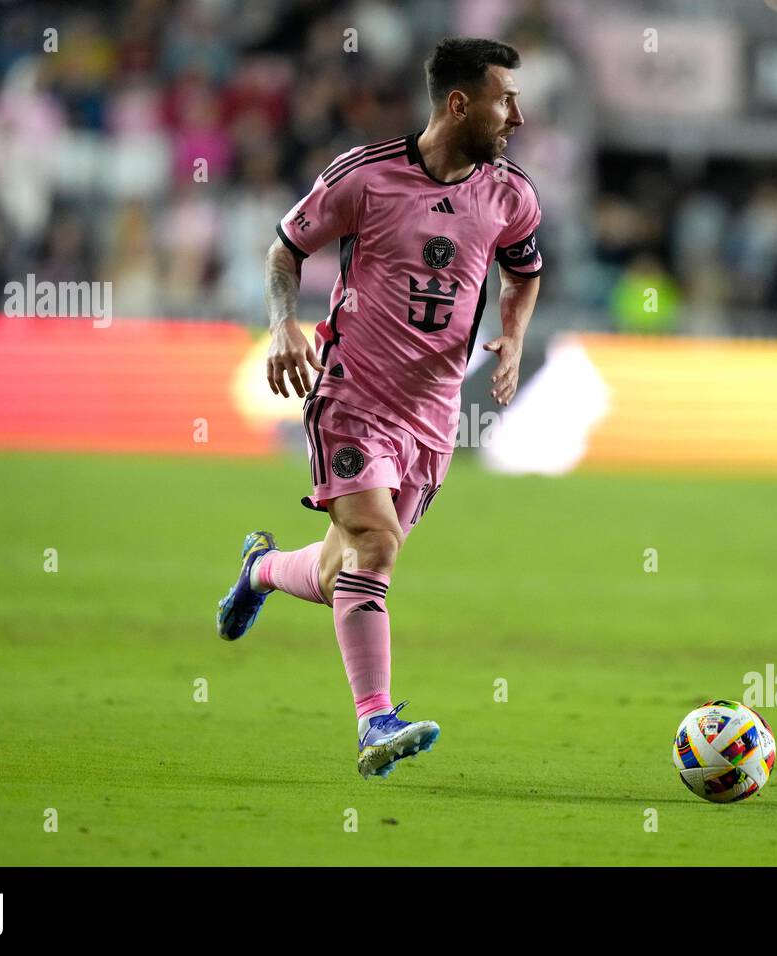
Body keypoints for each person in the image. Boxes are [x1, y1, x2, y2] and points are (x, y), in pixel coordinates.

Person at [216, 37, 542, 779]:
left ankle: (261, 570)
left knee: (343, 573)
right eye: (505, 99)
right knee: (377, 546)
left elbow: (524, 272)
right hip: (352, 397)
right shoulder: (365, 177)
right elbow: (284, 250)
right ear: (461, 103)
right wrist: (280, 327)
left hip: (431, 419)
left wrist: (514, 339)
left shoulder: (511, 195)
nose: (517, 117)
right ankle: (375, 724)